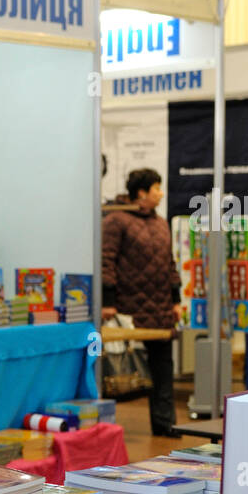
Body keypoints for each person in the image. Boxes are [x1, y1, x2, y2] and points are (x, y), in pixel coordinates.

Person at [101, 168, 181, 437]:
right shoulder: (116, 220)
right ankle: (106, 428)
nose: (161, 193)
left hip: (160, 305)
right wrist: (108, 301)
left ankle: (165, 423)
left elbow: (170, 263)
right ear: (141, 193)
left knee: (163, 368)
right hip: (128, 306)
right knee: (122, 365)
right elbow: (106, 261)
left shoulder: (160, 222)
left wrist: (175, 300)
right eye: (156, 188)